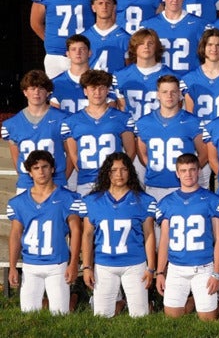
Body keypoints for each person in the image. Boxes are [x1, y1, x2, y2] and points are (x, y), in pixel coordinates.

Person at [79, 153, 156, 317]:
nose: (119, 174)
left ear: (130, 172)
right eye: (114, 170)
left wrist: (150, 268)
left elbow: (149, 234)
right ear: (107, 173)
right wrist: (86, 266)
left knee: (140, 316)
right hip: (104, 264)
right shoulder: (92, 201)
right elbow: (87, 235)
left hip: (135, 264)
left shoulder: (144, 200)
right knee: (101, 316)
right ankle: (121, 303)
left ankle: (146, 304)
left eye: (123, 169)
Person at [155, 153, 219, 321]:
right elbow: (165, 239)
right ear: (177, 173)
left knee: (208, 319)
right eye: (183, 170)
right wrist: (160, 272)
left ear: (199, 171)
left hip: (203, 266)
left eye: (192, 170)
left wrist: (217, 273)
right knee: (172, 317)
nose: (188, 174)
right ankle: (196, 299)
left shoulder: (213, 200)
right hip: (176, 267)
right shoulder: (167, 202)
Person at [6, 150, 82, 314]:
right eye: (36, 168)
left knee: (60, 315)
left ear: (53, 169)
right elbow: (15, 234)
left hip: (57, 264)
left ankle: (73, 300)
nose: (41, 171)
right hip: (30, 265)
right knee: (28, 315)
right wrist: (12, 266)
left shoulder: (68, 197)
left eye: (45, 167)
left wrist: (74, 262)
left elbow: (76, 231)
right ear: (30, 172)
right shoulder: (18, 202)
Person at [63, 70, 136, 196]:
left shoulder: (122, 118)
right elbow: (73, 155)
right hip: (86, 182)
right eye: (93, 88)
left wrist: (118, 174)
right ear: (85, 91)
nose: (97, 93)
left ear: (108, 90)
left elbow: (130, 151)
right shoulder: (71, 121)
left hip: (114, 181)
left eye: (102, 88)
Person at [135, 75, 206, 202]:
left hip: (183, 187)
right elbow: (142, 154)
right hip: (155, 185)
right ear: (158, 94)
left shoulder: (192, 122)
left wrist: (188, 173)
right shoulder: (144, 122)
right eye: (165, 92)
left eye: (173, 92)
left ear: (179, 94)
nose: (169, 96)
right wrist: (156, 169)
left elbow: (204, 153)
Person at [30, 0, 97, 78]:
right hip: (56, 56)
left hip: (84, 54)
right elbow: (35, 23)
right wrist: (51, 40)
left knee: (87, 95)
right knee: (56, 95)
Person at [2, 70, 70, 193]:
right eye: (32, 88)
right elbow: (17, 158)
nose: (37, 92)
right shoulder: (12, 124)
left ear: (48, 92)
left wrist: (63, 177)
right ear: (25, 92)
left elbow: (71, 154)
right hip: (27, 184)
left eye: (41, 88)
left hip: (56, 181)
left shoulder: (63, 119)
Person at [140, 0, 212, 75]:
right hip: (159, 83)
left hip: (189, 82)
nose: (175, 0)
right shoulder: (147, 26)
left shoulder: (201, 25)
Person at [113, 28, 178, 122]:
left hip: (159, 131)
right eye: (141, 43)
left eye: (150, 43)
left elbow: (176, 110)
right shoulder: (120, 76)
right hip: (130, 131)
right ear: (134, 47)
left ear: (156, 47)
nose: (146, 46)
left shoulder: (171, 76)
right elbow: (121, 108)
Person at [83, 0, 131, 74]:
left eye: (108, 3)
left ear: (114, 7)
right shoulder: (84, 38)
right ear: (93, 7)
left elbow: (130, 69)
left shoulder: (126, 38)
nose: (104, 6)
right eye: (100, 3)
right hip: (92, 85)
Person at [50, 34, 94, 114]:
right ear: (68, 54)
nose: (78, 52)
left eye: (82, 49)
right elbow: (54, 116)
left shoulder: (99, 81)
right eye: (73, 49)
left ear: (89, 53)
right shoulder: (56, 83)